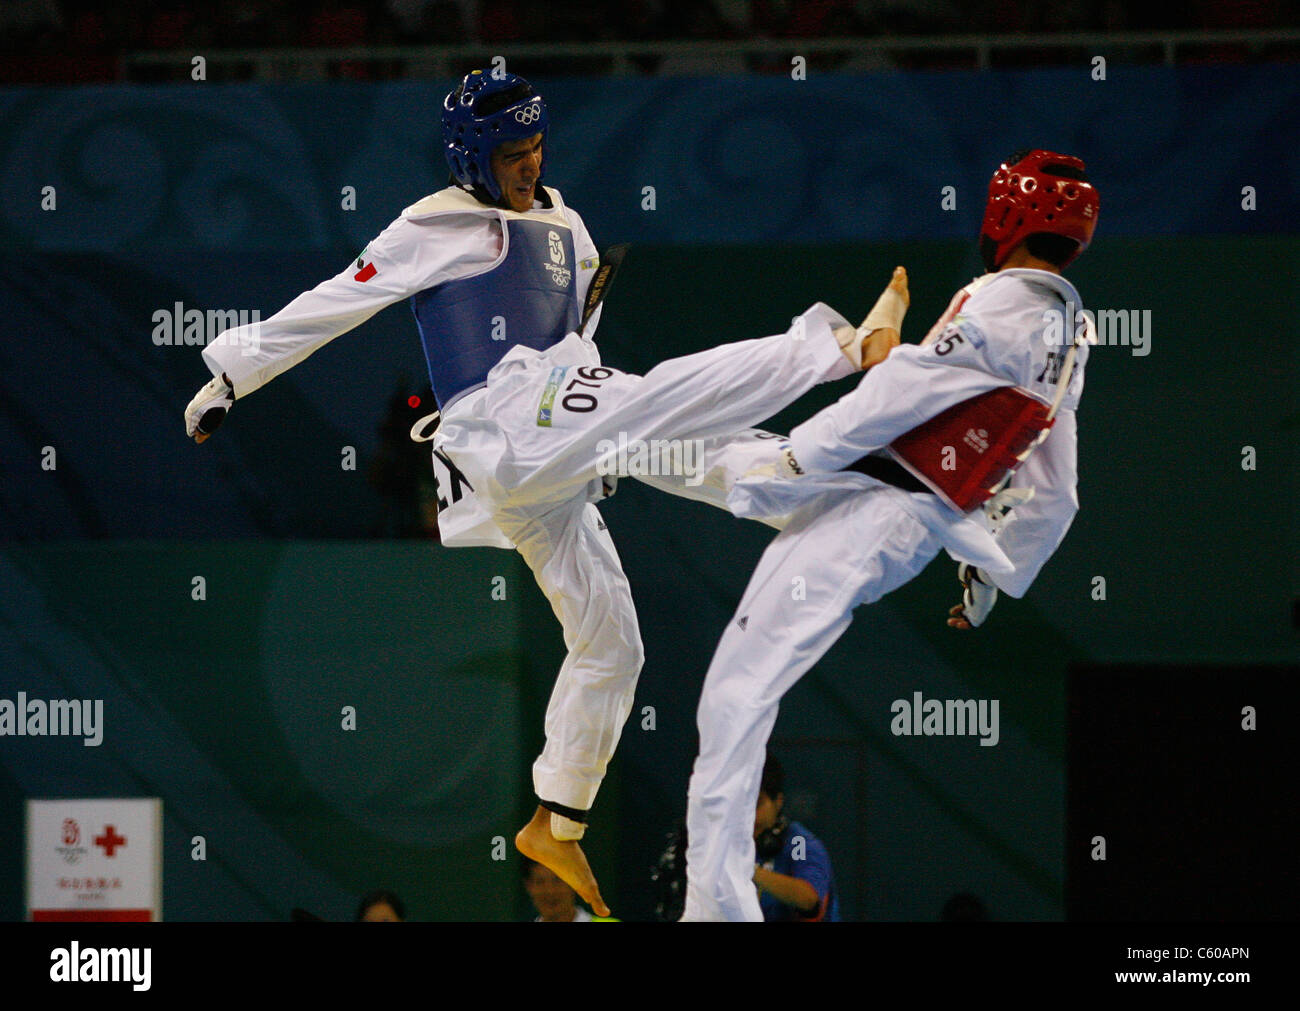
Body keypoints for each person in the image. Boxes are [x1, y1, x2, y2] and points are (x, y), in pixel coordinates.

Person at [184, 69, 903, 917]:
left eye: (535, 148)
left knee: (614, 631)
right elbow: (337, 301)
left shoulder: (569, 223)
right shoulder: (431, 224)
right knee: (654, 406)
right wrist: (230, 373)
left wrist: (585, 325)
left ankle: (557, 815)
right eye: (512, 154)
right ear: (471, 156)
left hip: (552, 443)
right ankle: (838, 349)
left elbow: (572, 338)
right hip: (502, 420)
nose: (529, 165)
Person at [681, 149, 1100, 921]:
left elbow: (897, 394)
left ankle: (717, 908)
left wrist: (796, 453)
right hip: (892, 501)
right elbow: (1056, 493)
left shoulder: (1003, 305)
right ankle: (592, 448)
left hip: (874, 508)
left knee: (737, 690)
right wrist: (992, 576)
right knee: (709, 454)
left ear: (1005, 217)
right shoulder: (1072, 333)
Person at [751, 751, 839, 921]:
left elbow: (808, 898)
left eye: (756, 804)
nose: (748, 815)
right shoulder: (728, 843)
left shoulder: (798, 842)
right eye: (741, 805)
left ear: (778, 801)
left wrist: (749, 870)